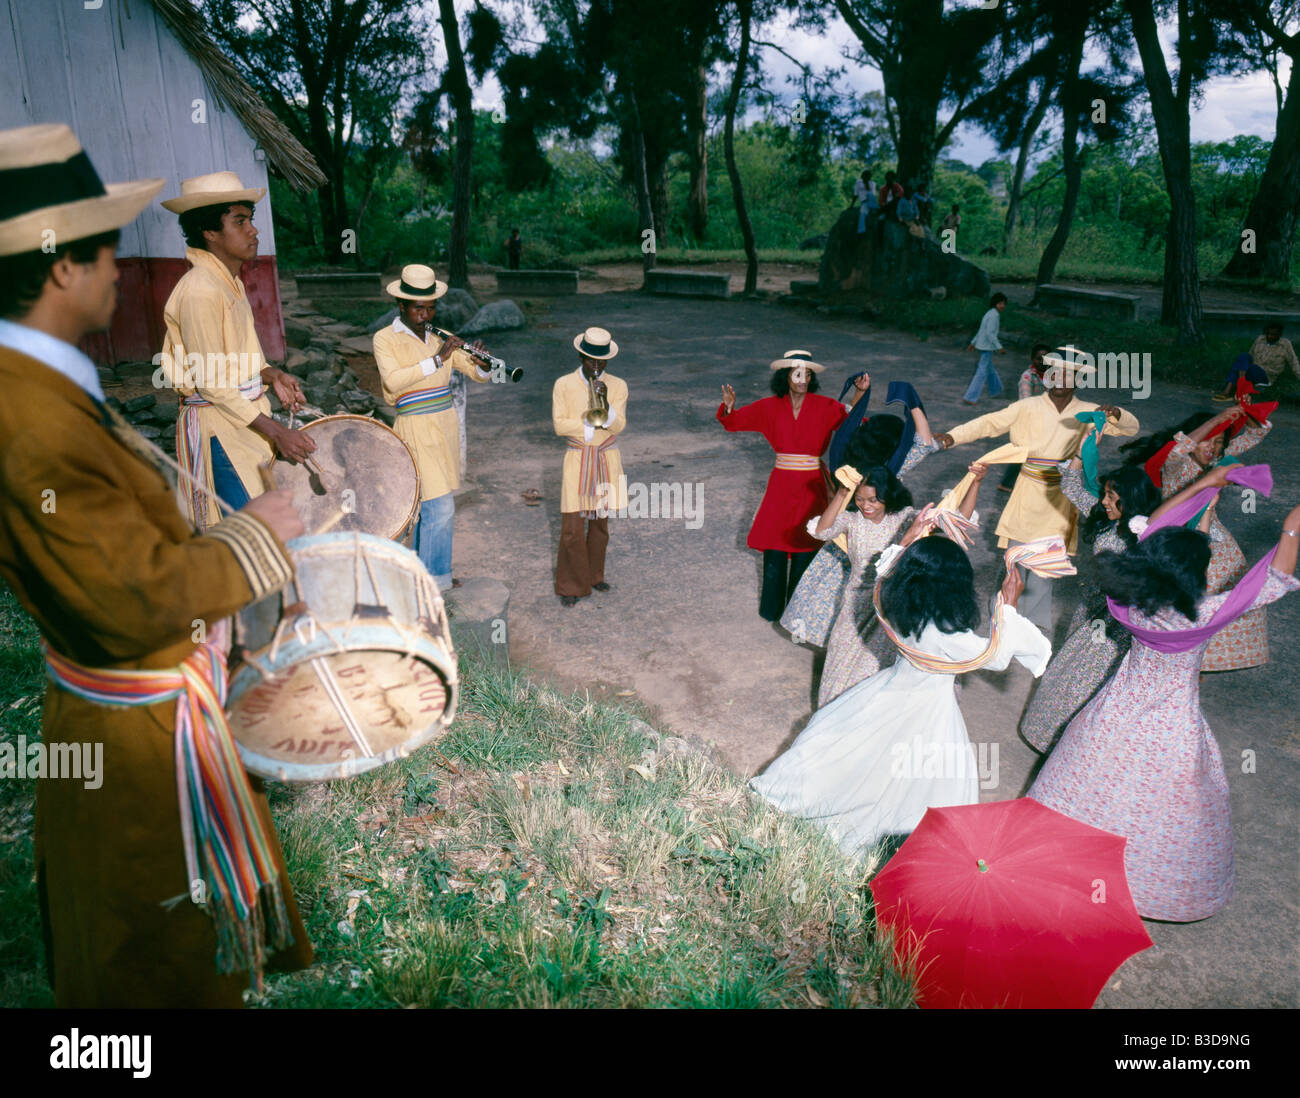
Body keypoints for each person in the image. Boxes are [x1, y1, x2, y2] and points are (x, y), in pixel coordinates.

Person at [0, 123, 313, 1006]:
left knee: (151, 942)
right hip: (131, 737)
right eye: (105, 254)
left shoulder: (46, 386)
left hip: (122, 707)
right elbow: (133, 596)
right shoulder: (33, 418)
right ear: (63, 269)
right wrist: (256, 535)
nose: (116, 271)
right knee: (150, 955)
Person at [1029, 485, 1300, 922]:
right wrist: (1293, 528)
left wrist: (1205, 505)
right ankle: (1146, 890)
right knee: (1164, 807)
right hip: (1171, 724)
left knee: (1094, 786)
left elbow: (1156, 532)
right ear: (1194, 578)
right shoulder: (1204, 614)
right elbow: (1277, 580)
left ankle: (1064, 863)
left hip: (1113, 714)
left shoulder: (1134, 598)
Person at [752, 526, 1051, 860]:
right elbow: (993, 657)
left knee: (847, 759)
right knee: (919, 787)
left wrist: (910, 536)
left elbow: (883, 572)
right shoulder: (946, 635)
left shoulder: (890, 603)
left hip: (882, 693)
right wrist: (1007, 607)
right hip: (929, 712)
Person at [935, 353, 1140, 633]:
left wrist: (1116, 413)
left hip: (1062, 496)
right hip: (1028, 490)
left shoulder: (1090, 412)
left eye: (1067, 375)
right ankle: (1003, 615)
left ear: (1078, 381)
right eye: (1054, 374)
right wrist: (953, 436)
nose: (1059, 380)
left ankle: (1029, 629)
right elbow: (988, 423)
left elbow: (1131, 428)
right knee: (1015, 559)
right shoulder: (1027, 406)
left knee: (1046, 566)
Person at [158, 172, 314, 529]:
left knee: (263, 539)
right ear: (209, 232)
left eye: (251, 220)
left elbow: (241, 358)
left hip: (242, 425)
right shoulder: (200, 291)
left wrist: (271, 373)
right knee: (250, 541)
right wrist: (277, 431)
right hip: (221, 431)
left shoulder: (229, 282)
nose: (253, 231)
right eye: (239, 221)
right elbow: (213, 385)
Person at [808, 459, 987, 707]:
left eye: (873, 500)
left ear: (888, 495)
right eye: (860, 499)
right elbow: (821, 531)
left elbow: (957, 521)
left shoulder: (906, 518)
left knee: (872, 670)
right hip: (855, 604)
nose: (866, 505)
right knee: (839, 666)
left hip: (891, 605)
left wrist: (975, 483)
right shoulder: (851, 520)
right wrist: (841, 493)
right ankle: (829, 719)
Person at [1019, 451, 1161, 753]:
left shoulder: (1147, 535)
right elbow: (1070, 484)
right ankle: (1048, 738)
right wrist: (1088, 441)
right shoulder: (1107, 518)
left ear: (1131, 499)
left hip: (1117, 624)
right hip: (1088, 613)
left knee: (1087, 683)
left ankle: (1074, 749)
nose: (1105, 502)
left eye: (1112, 497)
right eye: (1106, 495)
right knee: (1065, 673)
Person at [372, 263, 493, 589]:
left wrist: (481, 362)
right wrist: (437, 359)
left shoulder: (440, 338)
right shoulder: (385, 339)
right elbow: (394, 381)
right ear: (401, 306)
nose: (425, 315)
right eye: (418, 308)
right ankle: (435, 584)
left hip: (443, 429)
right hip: (414, 428)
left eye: (430, 308)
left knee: (432, 506)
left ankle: (426, 579)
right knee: (440, 508)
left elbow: (475, 373)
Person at [719, 350, 861, 621]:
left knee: (807, 542)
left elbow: (852, 425)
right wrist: (728, 407)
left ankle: (796, 614)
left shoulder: (826, 406)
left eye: (807, 373)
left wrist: (858, 395)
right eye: (797, 373)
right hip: (780, 485)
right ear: (785, 376)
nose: (803, 378)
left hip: (812, 485)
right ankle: (770, 610)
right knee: (774, 544)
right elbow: (734, 422)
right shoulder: (768, 407)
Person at [1157, 404, 1272, 671]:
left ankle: (1206, 662)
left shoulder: (1216, 463)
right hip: (1177, 542)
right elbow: (1178, 447)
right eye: (1207, 441)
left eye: (1219, 443)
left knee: (1234, 592)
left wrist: (1248, 411)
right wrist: (1219, 420)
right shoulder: (1175, 465)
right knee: (1185, 600)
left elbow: (1254, 435)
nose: (1213, 447)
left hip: (1215, 540)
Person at [553, 326, 628, 606]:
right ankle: (572, 586)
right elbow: (559, 424)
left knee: (600, 526)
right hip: (577, 457)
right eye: (590, 360)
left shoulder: (618, 385)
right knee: (572, 526)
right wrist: (586, 424)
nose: (595, 366)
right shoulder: (563, 384)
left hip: (606, 459)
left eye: (601, 361)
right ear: (580, 355)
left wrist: (605, 403)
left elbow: (619, 425)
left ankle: (594, 576)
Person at [999, 343, 1053, 493]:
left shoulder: (1053, 376)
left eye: (1046, 359)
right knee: (1023, 452)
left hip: (1046, 419)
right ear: (1032, 359)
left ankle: (1028, 483)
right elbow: (1026, 402)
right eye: (1038, 359)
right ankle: (1007, 483)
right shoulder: (1027, 377)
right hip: (1028, 419)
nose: (1042, 362)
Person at [1213, 322, 1299, 400]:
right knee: (1243, 356)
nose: (1270, 336)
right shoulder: (1260, 339)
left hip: (1266, 375)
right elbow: (1250, 355)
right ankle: (1235, 389)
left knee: (1240, 366)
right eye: (1268, 334)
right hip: (1251, 370)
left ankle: (1232, 390)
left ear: (1279, 334)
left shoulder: (1285, 344)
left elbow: (1293, 362)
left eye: (1273, 334)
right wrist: (1244, 366)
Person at [962, 292, 1008, 404]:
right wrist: (999, 347)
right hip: (986, 347)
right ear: (995, 304)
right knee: (982, 371)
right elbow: (989, 333)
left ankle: (996, 389)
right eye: (1000, 303)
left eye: (1004, 304)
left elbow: (981, 330)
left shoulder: (990, 313)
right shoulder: (994, 315)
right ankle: (970, 397)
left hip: (982, 345)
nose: (1002, 306)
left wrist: (973, 342)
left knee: (989, 368)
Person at [853, 170, 877, 235]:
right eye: (865, 176)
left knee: (870, 195)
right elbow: (855, 195)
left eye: (868, 176)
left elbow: (873, 194)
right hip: (864, 203)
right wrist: (851, 205)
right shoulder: (858, 184)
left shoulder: (872, 184)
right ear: (862, 176)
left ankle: (874, 210)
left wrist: (867, 184)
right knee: (862, 214)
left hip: (871, 201)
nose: (866, 178)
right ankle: (861, 231)